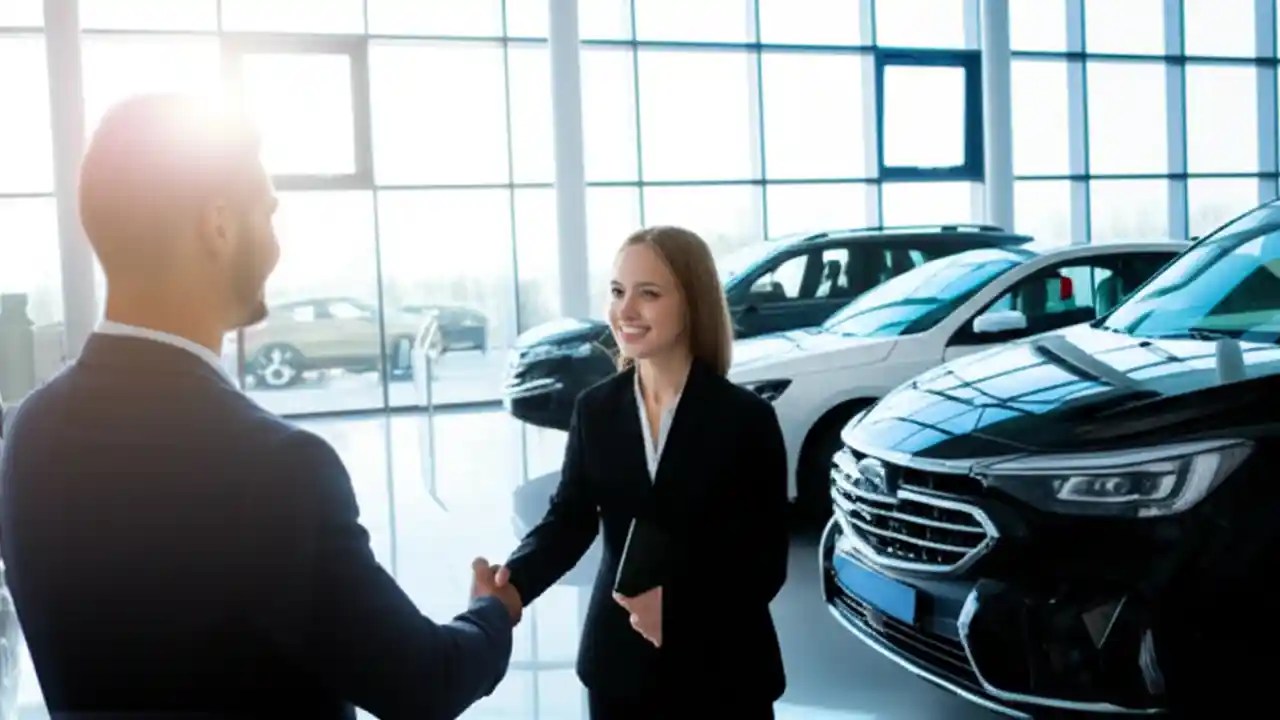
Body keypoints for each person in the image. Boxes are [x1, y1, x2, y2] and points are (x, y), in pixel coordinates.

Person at [0, 93, 520, 719]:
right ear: (218, 225)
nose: (275, 245)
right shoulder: (276, 469)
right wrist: (491, 614)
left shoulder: (27, 433)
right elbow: (424, 683)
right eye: (268, 213)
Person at [496, 226, 790, 719]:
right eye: (617, 292)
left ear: (691, 302)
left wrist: (677, 612)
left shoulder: (746, 419)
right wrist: (513, 582)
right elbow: (568, 520)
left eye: (648, 294)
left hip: (724, 669)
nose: (624, 310)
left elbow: (762, 563)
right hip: (618, 667)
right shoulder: (595, 410)